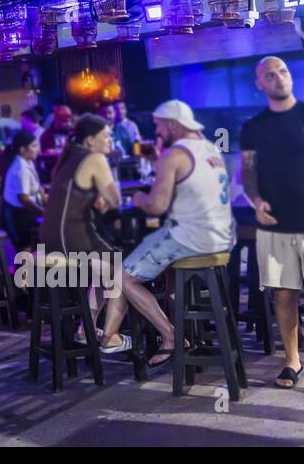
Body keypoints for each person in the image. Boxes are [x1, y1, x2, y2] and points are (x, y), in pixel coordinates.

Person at [98, 101, 236, 365]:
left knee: (122, 277)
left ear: (173, 124)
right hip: (222, 237)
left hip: (193, 239)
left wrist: (138, 198)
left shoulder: (174, 155)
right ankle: (182, 328)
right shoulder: (210, 148)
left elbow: (155, 206)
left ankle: (170, 336)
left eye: (159, 125)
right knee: (169, 270)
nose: (156, 130)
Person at [240, 55, 304, 397]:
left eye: (283, 71)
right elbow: (249, 173)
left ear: (290, 77)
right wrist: (256, 201)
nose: (278, 78)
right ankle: (293, 360)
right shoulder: (253, 127)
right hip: (274, 227)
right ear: (260, 84)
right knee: (283, 295)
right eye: (270, 75)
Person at [39, 114, 122, 321]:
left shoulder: (69, 157)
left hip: (49, 237)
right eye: (105, 136)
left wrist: (96, 195)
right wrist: (104, 192)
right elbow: (115, 201)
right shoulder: (95, 158)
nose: (110, 140)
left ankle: (87, 326)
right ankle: (91, 328)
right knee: (120, 269)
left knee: (112, 264)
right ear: (90, 140)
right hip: (69, 237)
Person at [0, 130, 45, 249]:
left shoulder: (28, 162)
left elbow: (37, 187)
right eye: (34, 146)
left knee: (37, 249)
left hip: (27, 212)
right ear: (23, 149)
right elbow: (24, 199)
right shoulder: (20, 169)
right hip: (18, 215)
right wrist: (44, 213)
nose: (37, 149)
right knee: (24, 252)